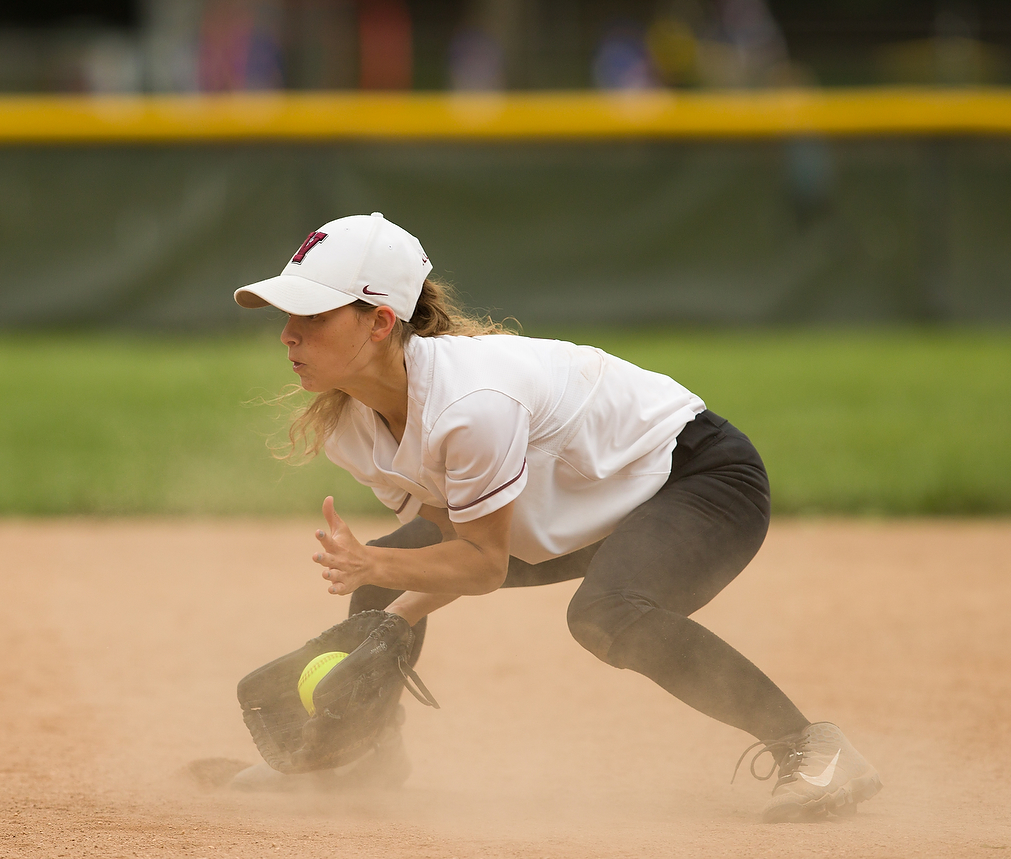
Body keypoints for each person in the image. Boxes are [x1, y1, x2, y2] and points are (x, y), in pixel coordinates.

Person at [228, 212, 883, 823]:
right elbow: (455, 540)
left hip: (696, 477)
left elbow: (483, 566)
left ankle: (812, 749)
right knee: (385, 581)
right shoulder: (350, 426)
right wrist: (391, 606)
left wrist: (382, 579)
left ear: (379, 322)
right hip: (586, 505)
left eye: (314, 315)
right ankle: (359, 755)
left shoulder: (471, 402)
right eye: (288, 314)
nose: (289, 334)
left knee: (606, 611)